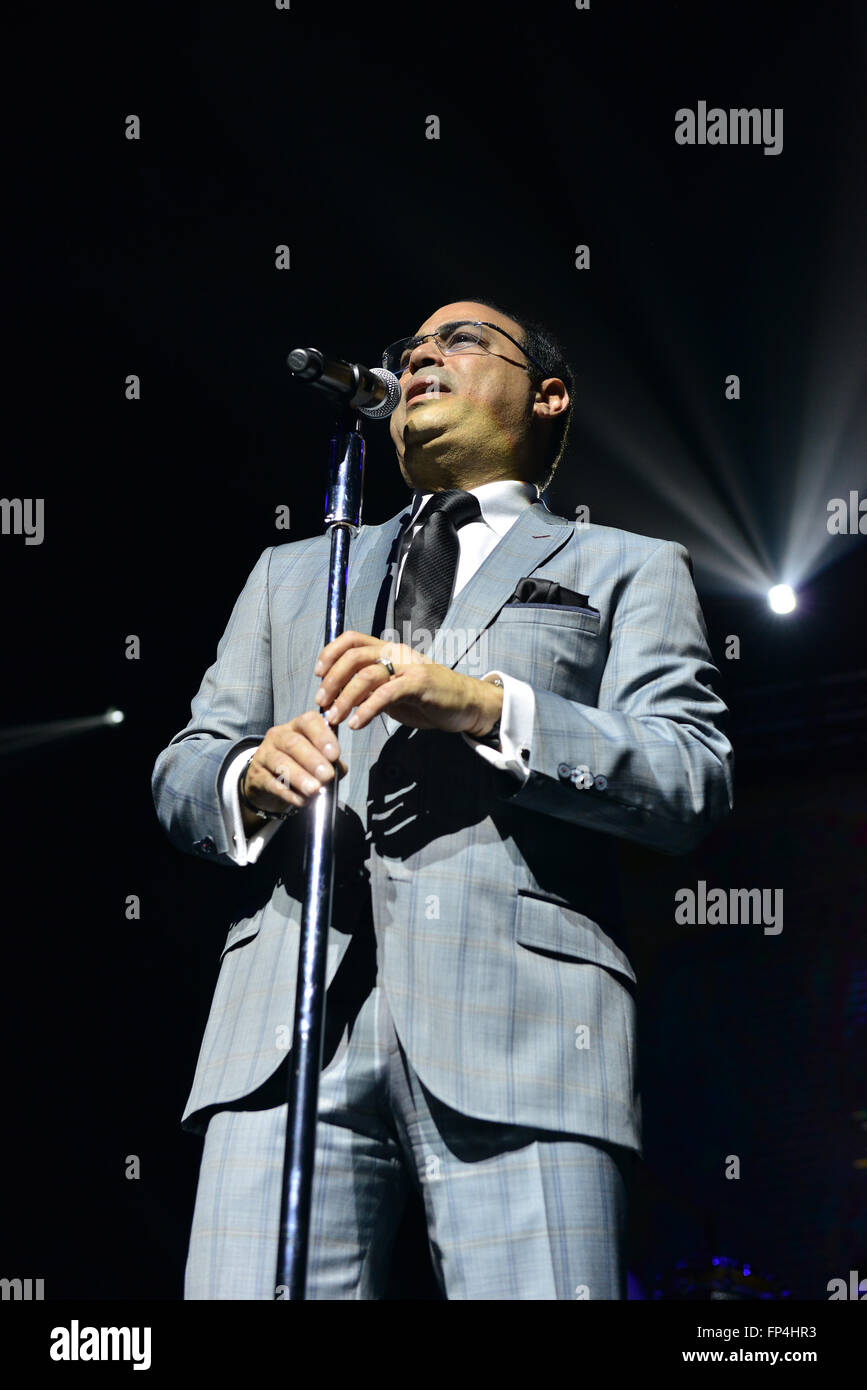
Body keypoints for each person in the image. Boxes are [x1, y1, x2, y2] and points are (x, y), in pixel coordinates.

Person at [152, 298, 734, 1300]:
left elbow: (689, 778)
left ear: (548, 395)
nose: (422, 354)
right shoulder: (293, 573)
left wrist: (486, 706)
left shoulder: (629, 567)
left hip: (529, 1028)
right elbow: (183, 767)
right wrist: (245, 779)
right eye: (408, 348)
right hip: (283, 1034)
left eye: (462, 340)